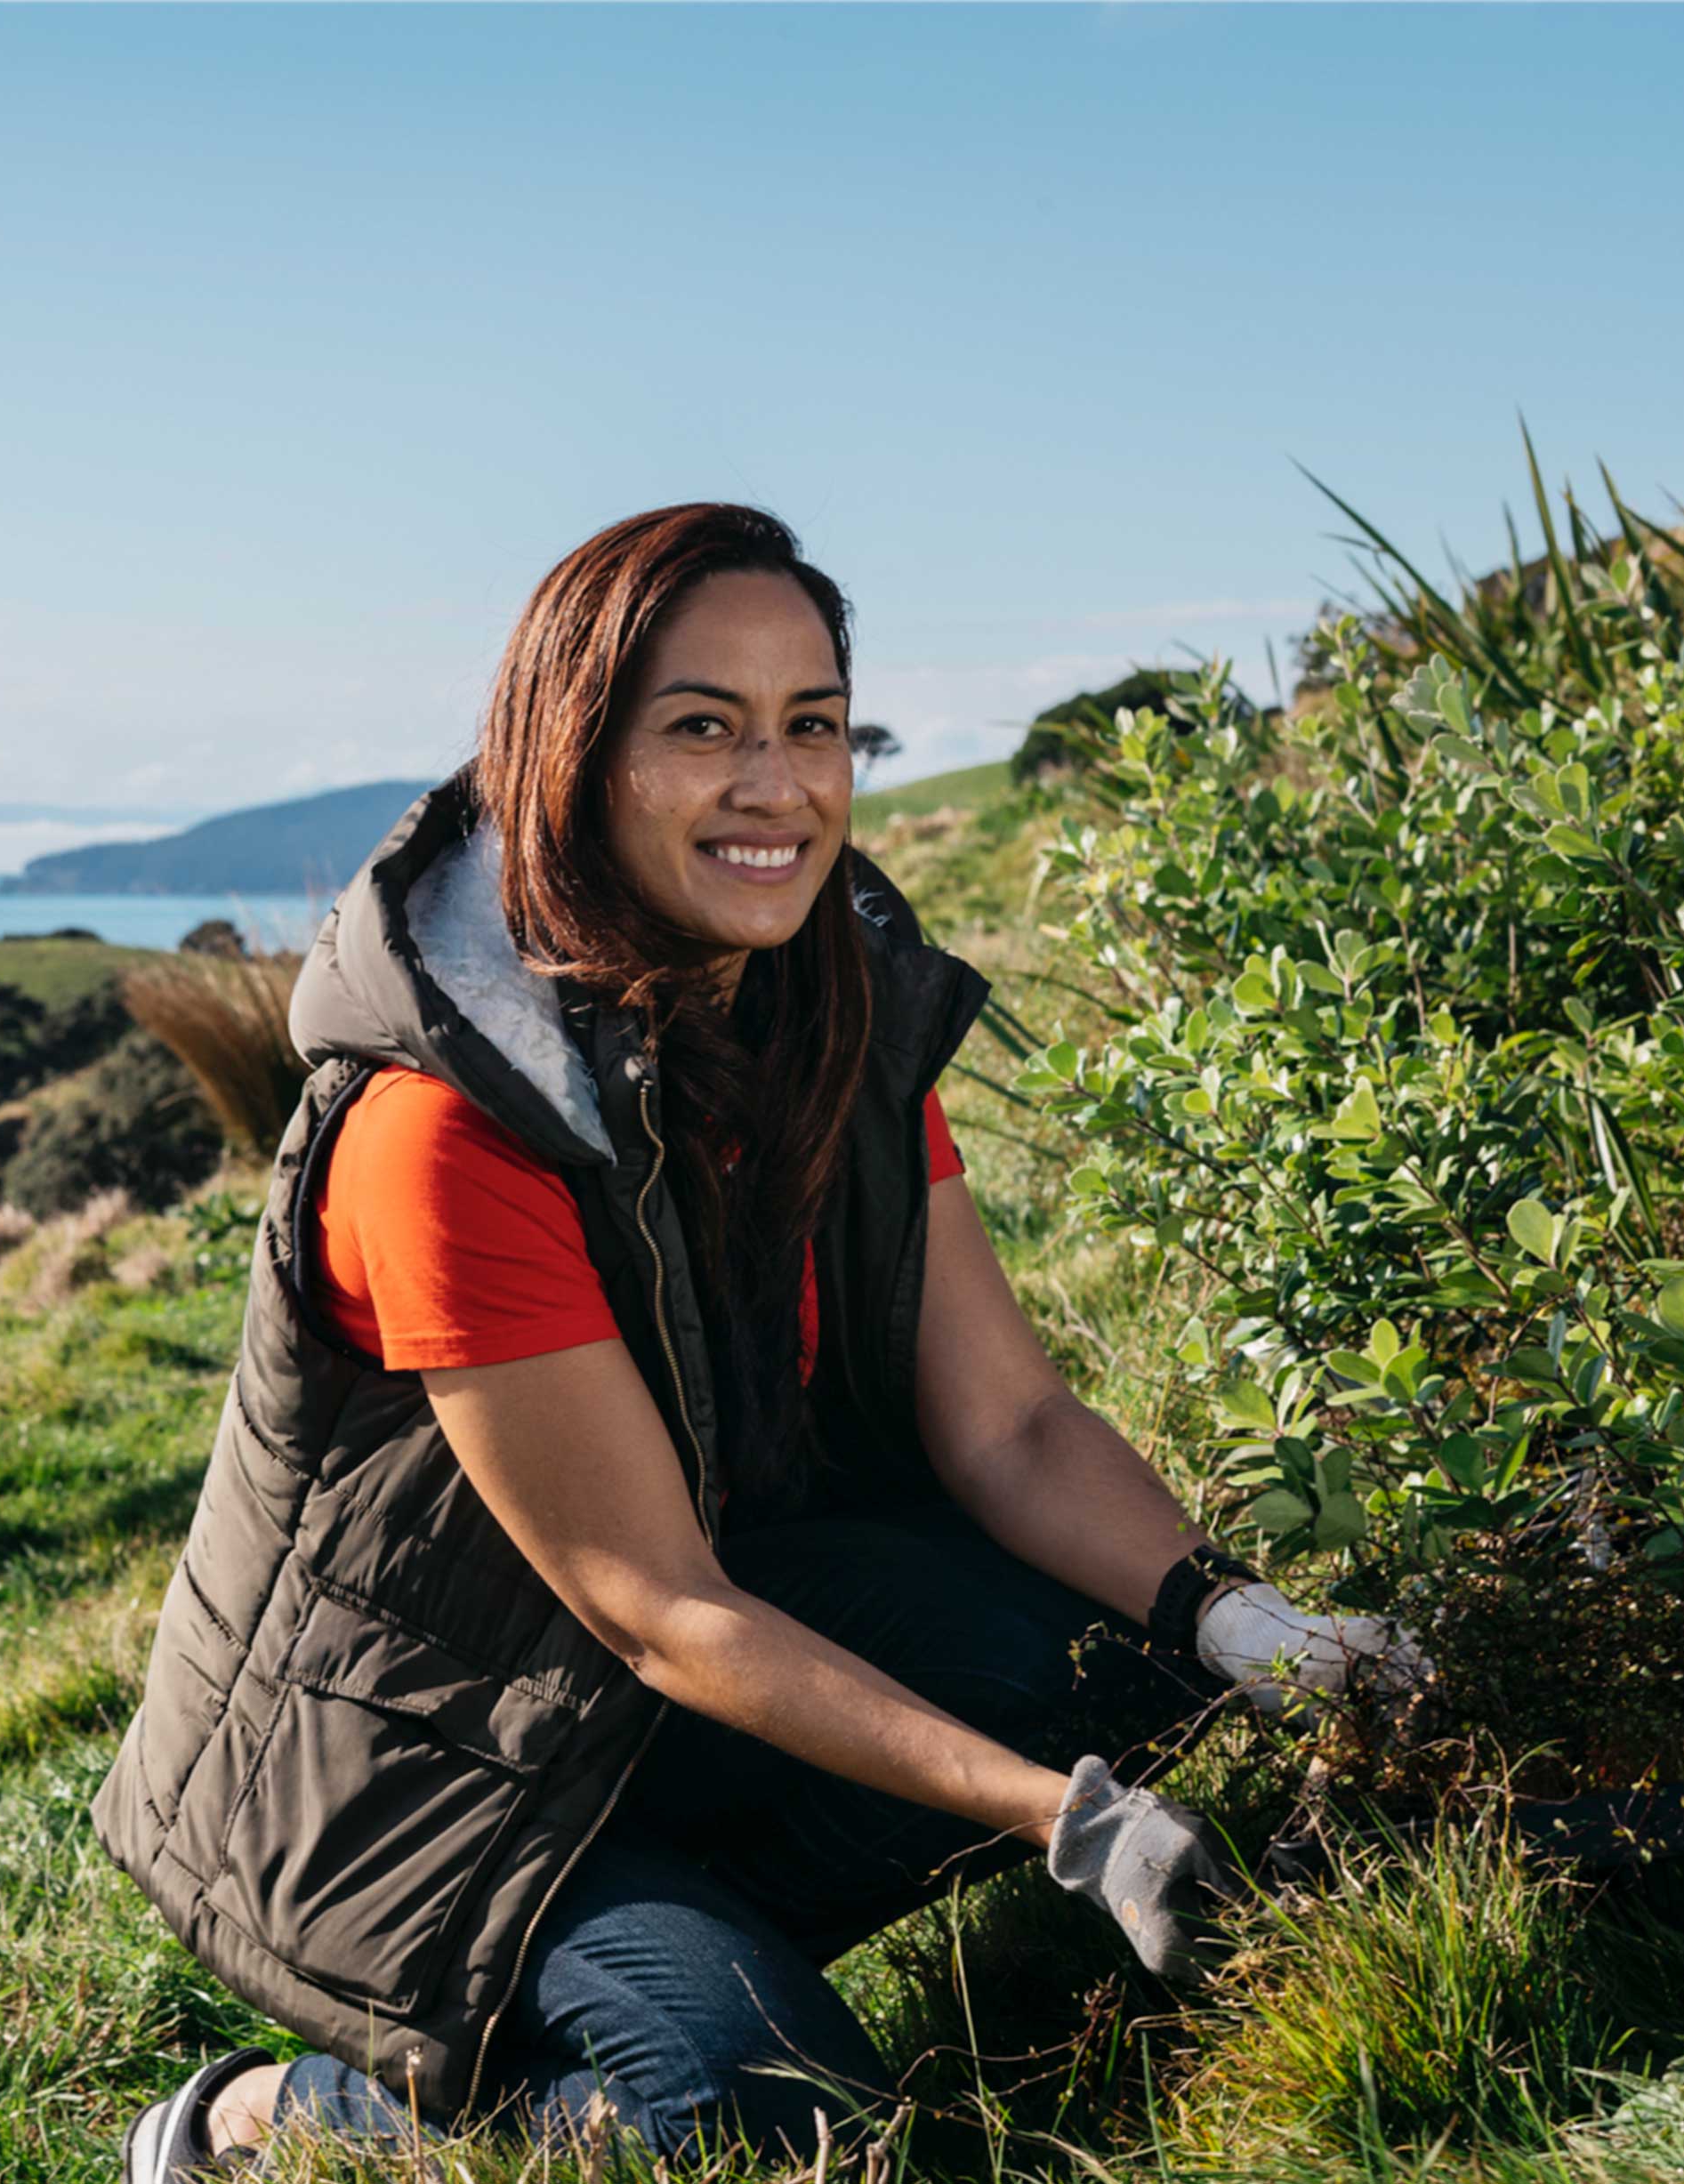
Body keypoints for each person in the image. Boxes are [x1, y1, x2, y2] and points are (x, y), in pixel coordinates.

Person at [97, 505, 1430, 2177]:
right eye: (700, 728)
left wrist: (1242, 1621)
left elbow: (1007, 1427)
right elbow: (656, 1605)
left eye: (814, 725)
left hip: (669, 1703)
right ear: (570, 758)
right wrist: (1054, 1819)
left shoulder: (827, 1016)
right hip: (429, 1782)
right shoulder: (441, 1127)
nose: (775, 783)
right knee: (770, 2124)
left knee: (1122, 1652)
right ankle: (283, 2116)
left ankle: (695, 1948)